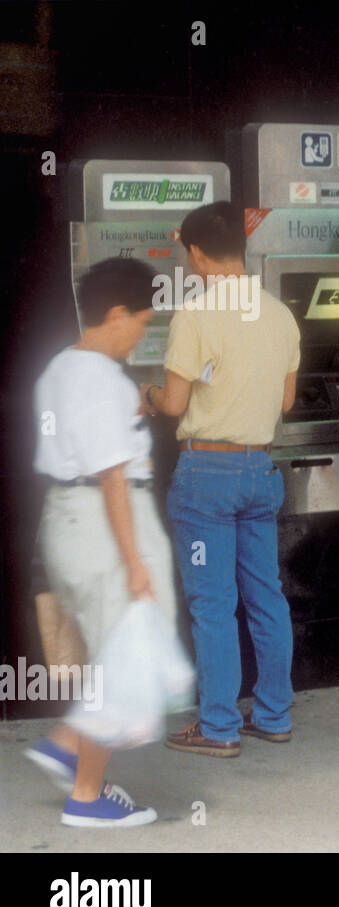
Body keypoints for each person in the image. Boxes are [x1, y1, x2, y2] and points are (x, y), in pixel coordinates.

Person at [144, 201, 300, 758]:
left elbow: (175, 402)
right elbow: (284, 399)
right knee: (266, 597)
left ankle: (217, 727)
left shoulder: (196, 315)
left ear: (196, 253)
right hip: (260, 470)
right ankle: (274, 715)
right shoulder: (280, 314)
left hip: (207, 475)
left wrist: (149, 396)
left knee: (213, 604)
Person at [24, 258, 176, 825]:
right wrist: (134, 561)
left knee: (117, 653)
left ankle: (72, 752)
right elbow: (112, 476)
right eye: (141, 321)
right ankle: (82, 790)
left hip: (65, 517)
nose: (142, 332)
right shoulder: (103, 380)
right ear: (116, 316)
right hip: (103, 519)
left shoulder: (57, 370)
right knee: (129, 656)